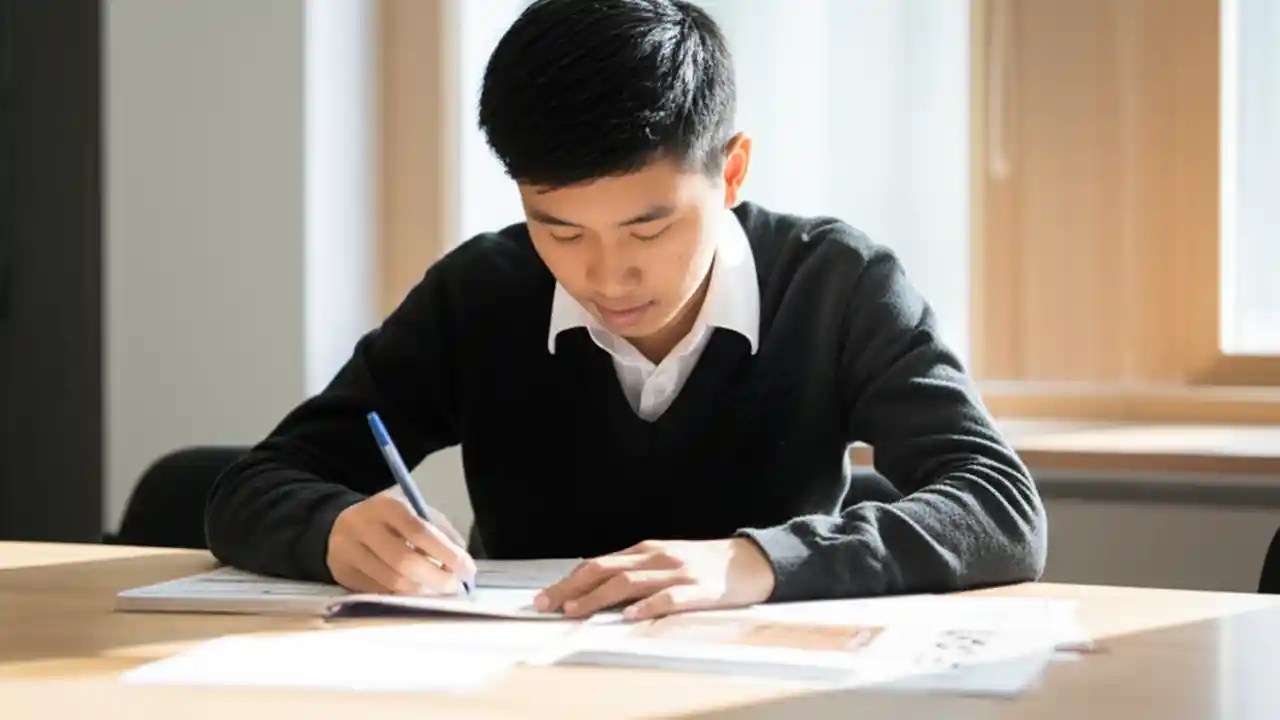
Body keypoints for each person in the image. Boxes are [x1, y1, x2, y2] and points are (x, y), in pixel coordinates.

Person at [205, 0, 1046, 622]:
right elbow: (253, 485)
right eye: (558, 227)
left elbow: (999, 507)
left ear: (734, 170)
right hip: (523, 687)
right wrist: (333, 527)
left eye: (651, 224)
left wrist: (756, 561)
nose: (606, 275)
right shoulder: (481, 292)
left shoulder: (836, 282)